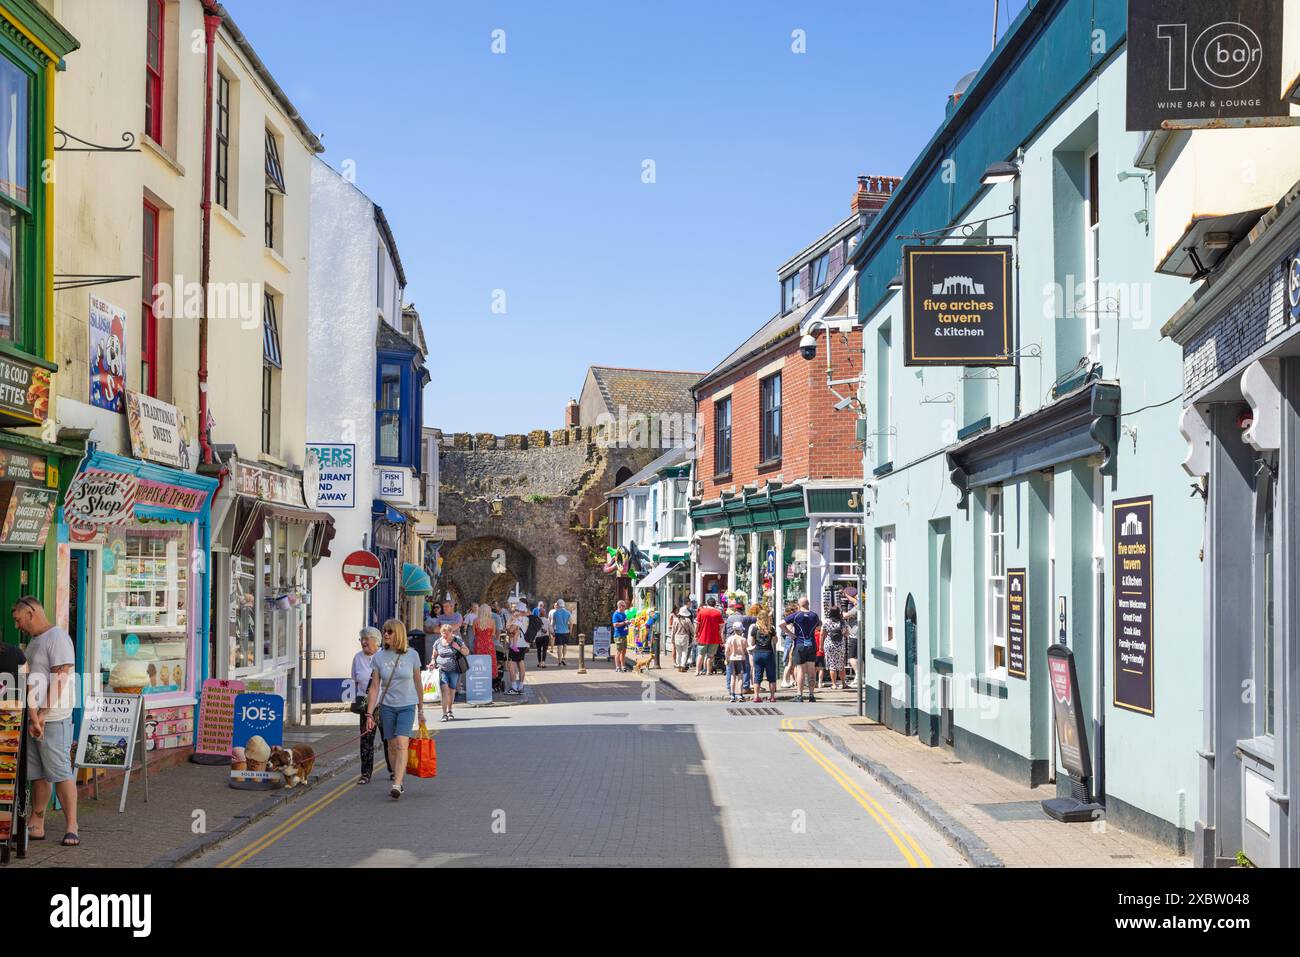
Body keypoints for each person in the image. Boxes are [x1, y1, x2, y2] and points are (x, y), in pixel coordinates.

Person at [13, 597, 79, 845]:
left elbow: (60, 678)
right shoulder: (35, 641)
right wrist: (33, 716)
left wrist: (42, 714)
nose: (18, 625)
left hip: (53, 718)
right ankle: (36, 822)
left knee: (60, 772)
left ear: (31, 612)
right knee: (38, 774)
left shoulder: (57, 638)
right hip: (35, 720)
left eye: (19, 619)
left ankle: (72, 826)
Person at [365, 619, 425, 799]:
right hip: (387, 706)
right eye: (384, 631)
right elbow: (375, 687)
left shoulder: (412, 655)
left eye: (389, 632)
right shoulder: (378, 657)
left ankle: (397, 784)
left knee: (401, 742)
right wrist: (369, 713)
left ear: (398, 634)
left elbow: (418, 682)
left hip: (407, 705)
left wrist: (421, 710)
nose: (385, 634)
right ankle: (397, 776)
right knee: (391, 746)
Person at [352, 626, 391, 785]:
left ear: (376, 641)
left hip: (385, 704)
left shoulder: (385, 656)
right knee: (366, 740)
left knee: (388, 738)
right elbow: (355, 680)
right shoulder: (357, 658)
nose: (363, 642)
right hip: (367, 705)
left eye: (366, 639)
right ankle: (365, 774)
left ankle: (393, 770)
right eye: (361, 639)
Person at [783, 597, 822, 703]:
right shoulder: (814, 615)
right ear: (808, 604)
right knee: (811, 670)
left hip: (800, 644)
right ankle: (811, 695)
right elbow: (819, 626)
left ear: (799, 605)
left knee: (800, 670)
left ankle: (799, 695)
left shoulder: (796, 615)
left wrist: (791, 634)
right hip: (811, 645)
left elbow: (781, 624)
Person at [432, 623, 471, 721]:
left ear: (451, 633)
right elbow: (434, 655)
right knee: (445, 690)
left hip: (454, 670)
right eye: (443, 634)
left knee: (451, 690)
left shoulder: (457, 640)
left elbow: (467, 652)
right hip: (442, 669)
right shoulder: (438, 642)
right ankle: (444, 714)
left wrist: (458, 647)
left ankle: (450, 710)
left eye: (447, 634)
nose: (444, 636)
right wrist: (432, 662)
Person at [724, 600, 756, 695]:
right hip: (741, 644)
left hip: (729, 643)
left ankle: (730, 688)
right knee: (745, 667)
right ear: (743, 608)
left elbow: (723, 631)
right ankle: (745, 687)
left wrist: (724, 642)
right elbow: (758, 619)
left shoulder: (729, 618)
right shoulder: (745, 618)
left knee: (730, 668)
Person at [748, 607, 778, 703]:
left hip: (758, 653)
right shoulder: (771, 628)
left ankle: (756, 696)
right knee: (771, 676)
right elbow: (775, 641)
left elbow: (752, 643)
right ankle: (772, 697)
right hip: (768, 653)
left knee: (757, 675)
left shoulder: (755, 628)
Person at [504, 601, 530, 695]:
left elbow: (511, 629)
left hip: (516, 644)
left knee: (511, 665)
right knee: (521, 662)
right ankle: (521, 686)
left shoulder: (518, 618)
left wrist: (508, 627)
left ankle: (514, 687)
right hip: (523, 644)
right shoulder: (526, 618)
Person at [694, 596, 723, 676]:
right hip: (714, 637)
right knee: (710, 655)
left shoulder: (702, 612)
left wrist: (695, 634)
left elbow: (697, 625)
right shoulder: (718, 613)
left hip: (702, 636)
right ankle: (708, 671)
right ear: (715, 604)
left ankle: (697, 671)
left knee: (700, 654)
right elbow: (721, 627)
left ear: (707, 603)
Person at [822, 605, 849, 690]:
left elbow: (822, 634)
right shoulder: (842, 622)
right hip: (840, 645)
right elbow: (846, 633)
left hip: (829, 645)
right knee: (841, 665)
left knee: (832, 665)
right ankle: (844, 683)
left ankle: (834, 684)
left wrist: (820, 646)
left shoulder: (826, 621)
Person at [473, 603, 498, 683]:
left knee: (479, 664)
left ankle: (480, 682)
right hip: (489, 645)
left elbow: (474, 633)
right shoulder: (492, 621)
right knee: (489, 663)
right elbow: (493, 634)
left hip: (479, 644)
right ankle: (489, 683)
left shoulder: (475, 621)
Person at [724, 620, 748, 702]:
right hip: (741, 659)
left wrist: (726, 659)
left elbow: (727, 650)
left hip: (732, 659)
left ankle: (732, 695)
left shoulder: (730, 639)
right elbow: (745, 650)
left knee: (732, 678)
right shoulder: (743, 639)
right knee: (740, 678)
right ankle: (740, 695)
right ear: (741, 630)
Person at [669, 605, 694, 672]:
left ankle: (678, 666)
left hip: (677, 637)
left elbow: (673, 631)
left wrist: (672, 639)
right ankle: (683, 665)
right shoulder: (688, 620)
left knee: (678, 653)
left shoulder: (675, 620)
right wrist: (693, 635)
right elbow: (692, 630)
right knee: (684, 652)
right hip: (685, 637)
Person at [780, 601, 798, 688]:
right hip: (791, 643)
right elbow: (790, 634)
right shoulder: (790, 623)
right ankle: (784, 681)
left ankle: (792, 680)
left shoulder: (787, 621)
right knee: (790, 664)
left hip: (789, 643)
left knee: (791, 664)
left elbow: (783, 634)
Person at [549, 599, 572, 666]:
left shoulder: (555, 613)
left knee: (559, 647)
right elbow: (571, 623)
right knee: (565, 645)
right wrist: (570, 630)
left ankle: (559, 661)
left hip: (558, 632)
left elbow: (553, 624)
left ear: (558, 605)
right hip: (566, 631)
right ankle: (564, 658)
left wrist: (552, 632)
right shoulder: (568, 612)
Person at [611, 600, 630, 672]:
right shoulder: (616, 614)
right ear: (620, 606)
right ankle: (617, 667)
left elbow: (625, 621)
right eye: (624, 606)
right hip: (618, 635)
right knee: (618, 651)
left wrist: (628, 622)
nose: (625, 607)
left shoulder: (624, 614)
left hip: (624, 635)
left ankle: (623, 666)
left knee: (624, 651)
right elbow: (615, 624)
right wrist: (624, 622)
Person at [533, 600, 551, 667]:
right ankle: (543, 662)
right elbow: (551, 629)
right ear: (545, 613)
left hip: (538, 637)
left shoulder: (536, 621)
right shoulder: (547, 620)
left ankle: (539, 662)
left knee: (539, 650)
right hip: (545, 637)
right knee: (544, 650)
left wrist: (533, 638)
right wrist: (553, 633)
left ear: (539, 613)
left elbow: (534, 630)